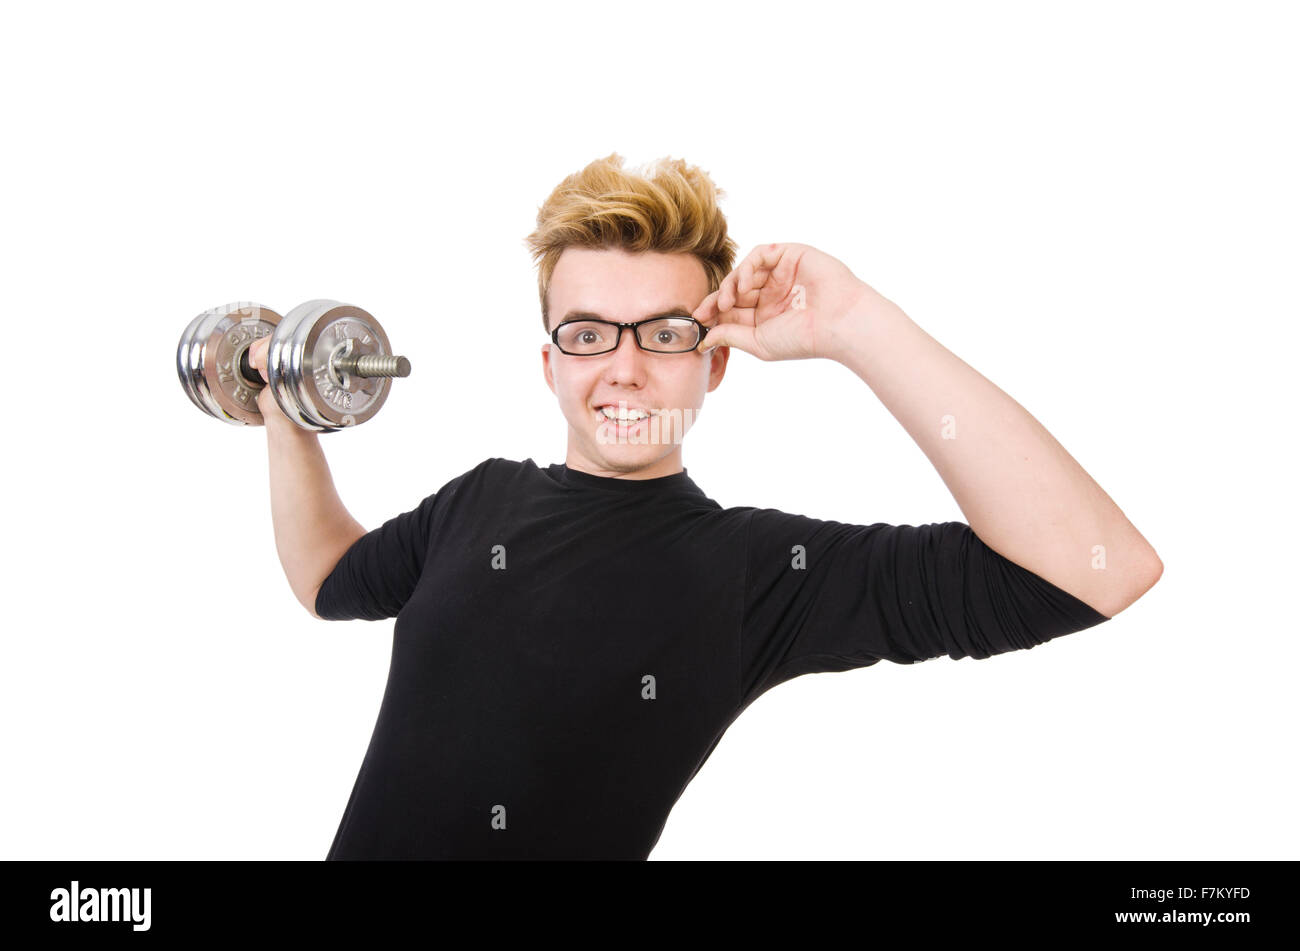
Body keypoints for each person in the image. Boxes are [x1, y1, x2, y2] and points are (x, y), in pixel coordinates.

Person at [247, 153, 1163, 860]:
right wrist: (280, 409)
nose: (627, 364)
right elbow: (328, 575)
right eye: (590, 333)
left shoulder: (756, 571)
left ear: (715, 359)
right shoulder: (479, 498)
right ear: (551, 362)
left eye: (667, 333)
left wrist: (854, 323)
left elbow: (1098, 567)